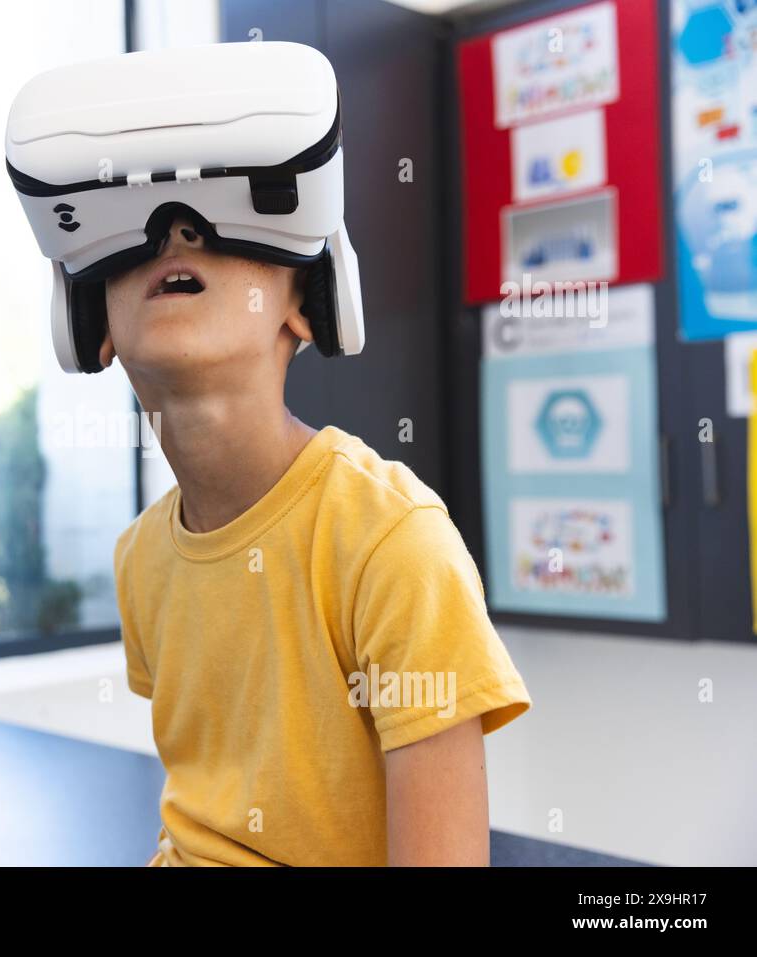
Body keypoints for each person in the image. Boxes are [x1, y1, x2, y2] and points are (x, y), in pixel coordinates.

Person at [107, 214, 532, 866]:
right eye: (136, 229)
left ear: (305, 301)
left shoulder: (396, 545)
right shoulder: (139, 557)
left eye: (219, 217)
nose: (175, 233)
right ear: (91, 320)